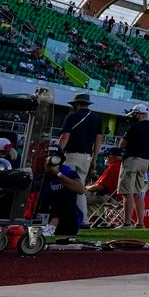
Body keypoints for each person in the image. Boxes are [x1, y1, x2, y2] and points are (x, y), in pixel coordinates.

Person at [57, 93, 102, 221]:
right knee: (80, 187)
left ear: (77, 104)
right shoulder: (96, 118)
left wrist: (57, 152)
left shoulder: (72, 117)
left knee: (66, 185)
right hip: (86, 157)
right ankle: (83, 219)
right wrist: (94, 158)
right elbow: (98, 140)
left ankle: (62, 216)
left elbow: (65, 136)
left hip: (71, 155)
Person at [117, 103, 149, 228]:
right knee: (137, 193)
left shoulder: (134, 127)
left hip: (132, 160)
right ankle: (140, 222)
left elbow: (121, 145)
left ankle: (127, 223)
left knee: (127, 192)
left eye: (134, 114)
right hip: (145, 161)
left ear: (139, 114)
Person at [39, 149, 86, 237]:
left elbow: (80, 190)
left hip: (65, 221)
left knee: (69, 190)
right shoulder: (39, 172)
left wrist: (58, 174)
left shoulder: (66, 171)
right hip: (42, 215)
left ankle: (52, 226)